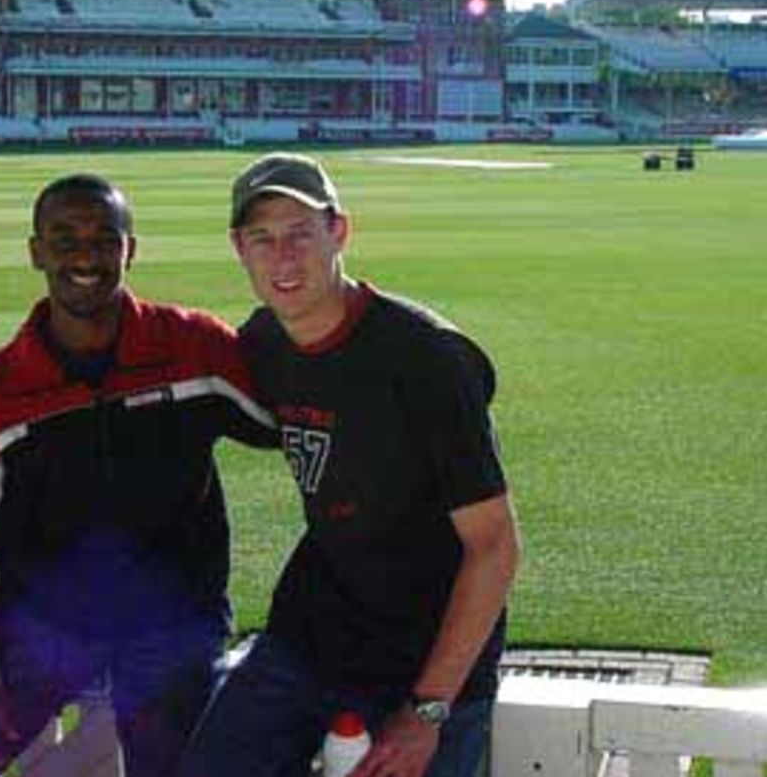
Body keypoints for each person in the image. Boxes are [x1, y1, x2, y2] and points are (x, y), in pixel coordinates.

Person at [0, 174, 277, 777]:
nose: (85, 257)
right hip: (44, 633)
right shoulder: (1, 392)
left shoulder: (193, 347)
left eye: (104, 239)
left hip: (171, 627)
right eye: (65, 239)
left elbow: (290, 419)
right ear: (36, 251)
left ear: (129, 249)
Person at [185, 153, 521, 777]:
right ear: (239, 248)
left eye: (300, 233)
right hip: (315, 636)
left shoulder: (425, 359)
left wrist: (427, 711)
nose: (283, 258)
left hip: (428, 659)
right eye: (262, 239)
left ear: (338, 231)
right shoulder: (262, 343)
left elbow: (495, 547)